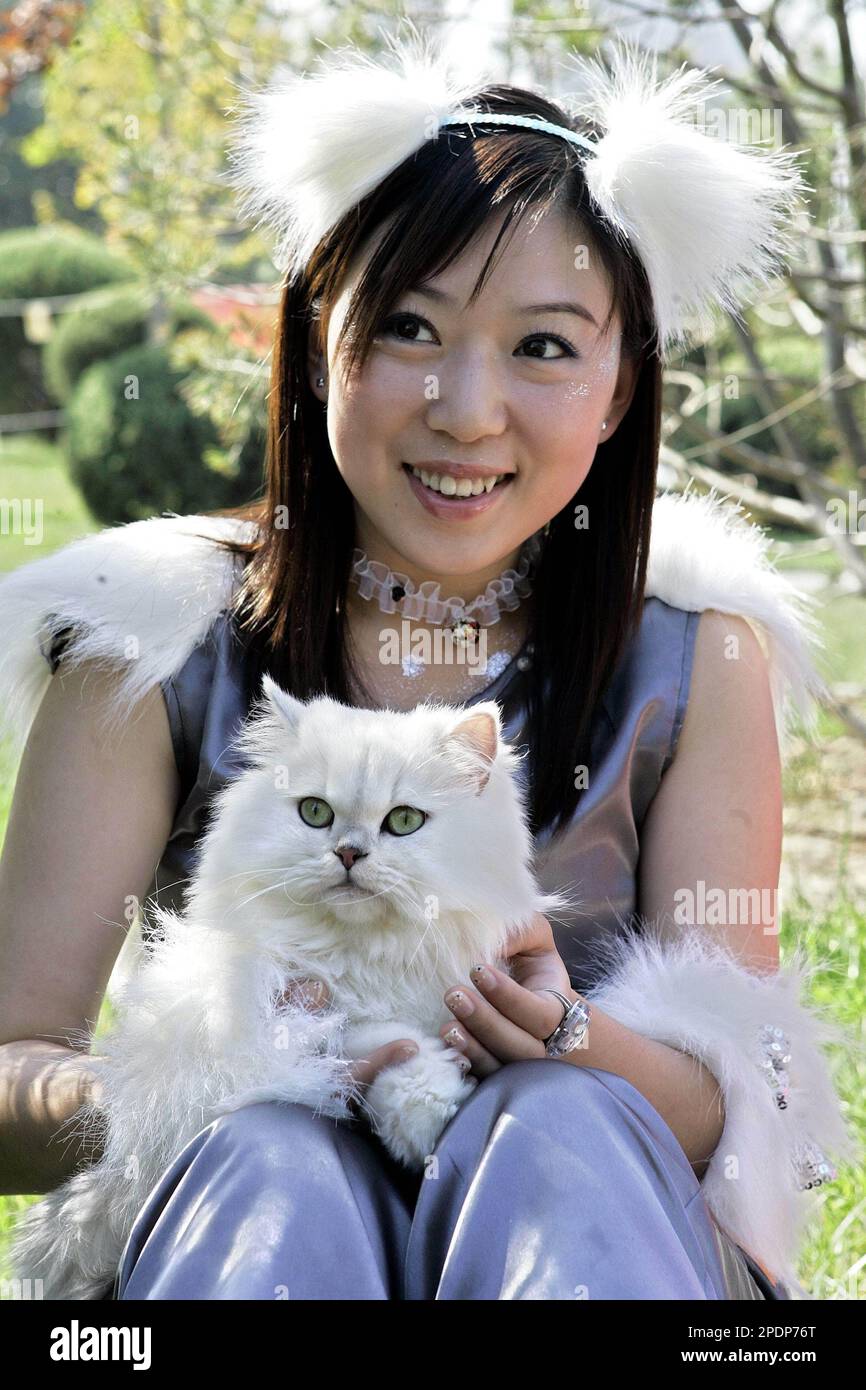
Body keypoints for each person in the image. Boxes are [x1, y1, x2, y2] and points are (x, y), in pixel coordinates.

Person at [0, 33, 854, 1301]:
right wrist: (219, 1061)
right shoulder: (153, 640)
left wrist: (568, 1038)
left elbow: (738, 1111)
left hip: (592, 1233)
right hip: (237, 1232)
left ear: (619, 390)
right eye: (408, 326)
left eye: (544, 346)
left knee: (555, 1126)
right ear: (315, 339)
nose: (464, 408)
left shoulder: (691, 652)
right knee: (274, 1156)